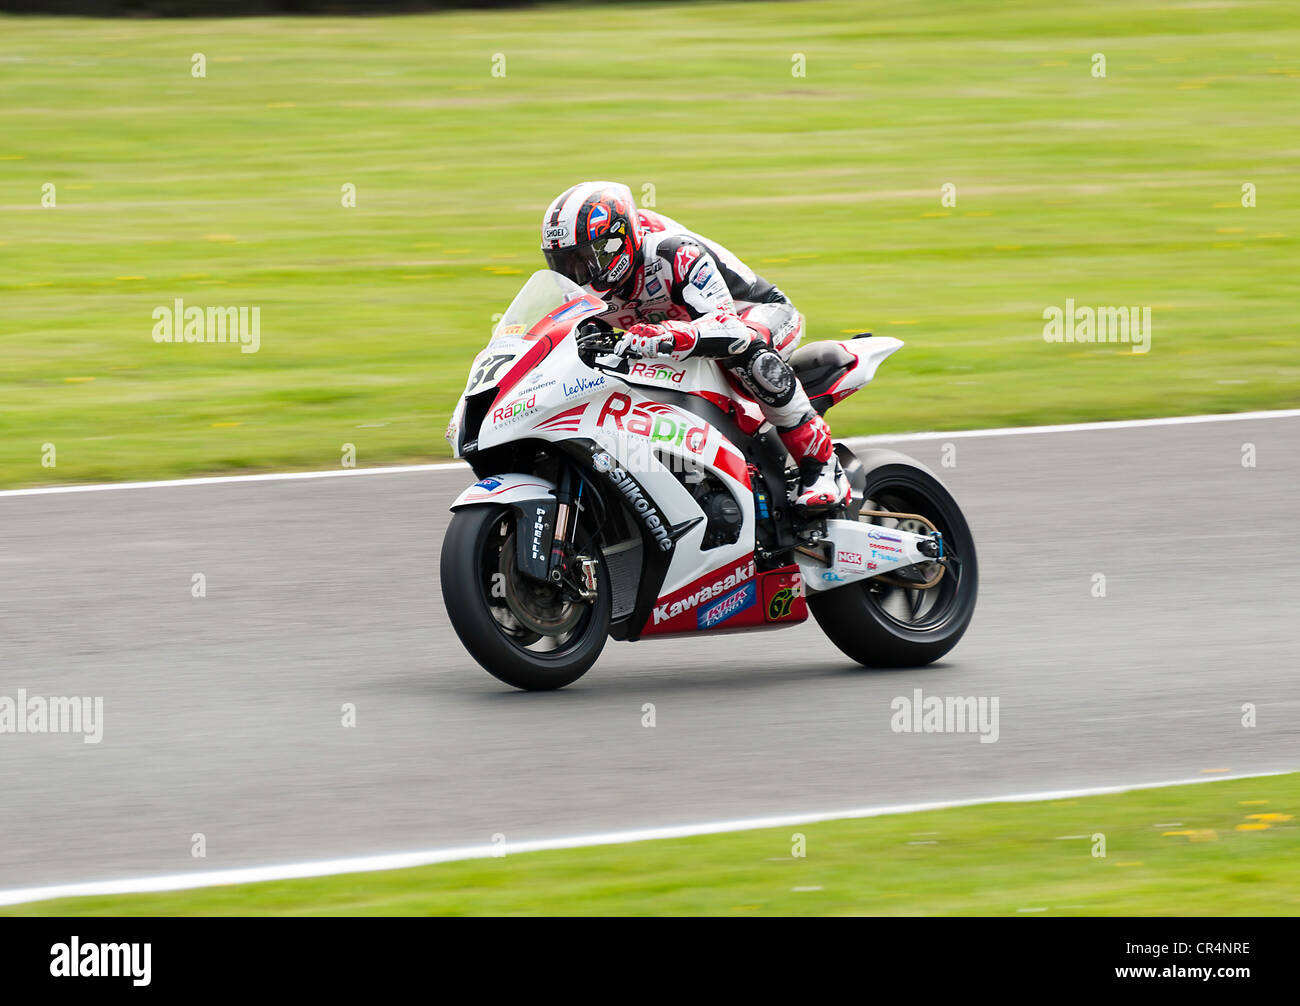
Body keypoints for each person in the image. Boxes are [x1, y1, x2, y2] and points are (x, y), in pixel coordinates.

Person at [540, 181, 848, 509]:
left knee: (749, 352)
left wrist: (669, 334)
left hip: (753, 313)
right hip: (669, 332)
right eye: (565, 262)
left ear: (618, 241)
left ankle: (822, 466)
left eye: (586, 258)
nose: (577, 273)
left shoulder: (672, 251)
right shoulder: (582, 287)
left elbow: (728, 326)